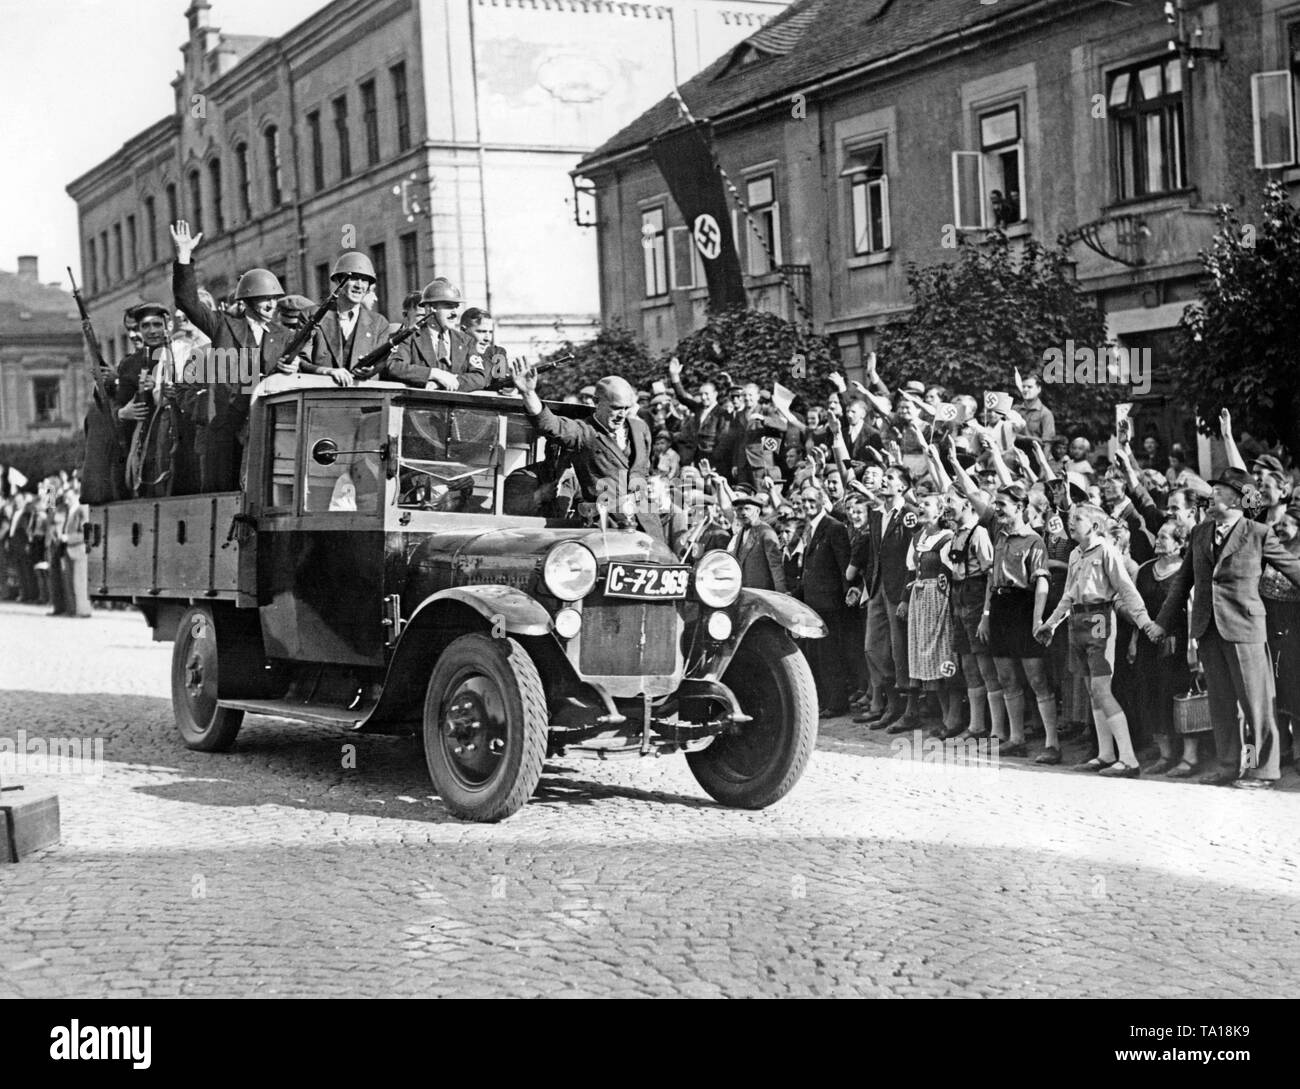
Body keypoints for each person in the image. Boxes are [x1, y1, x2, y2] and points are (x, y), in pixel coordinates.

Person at [1149, 466, 1300, 789]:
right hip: (1207, 628)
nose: (1211, 495)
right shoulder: (1201, 532)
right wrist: (1161, 623)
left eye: (1219, 492)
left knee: (1256, 703)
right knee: (1219, 703)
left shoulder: (1257, 533)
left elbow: (1293, 568)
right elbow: (1182, 582)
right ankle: (1228, 765)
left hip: (1245, 628)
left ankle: (1265, 770)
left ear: (1236, 500)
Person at [1037, 504, 1158, 777]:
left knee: (1103, 689)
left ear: (1094, 525)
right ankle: (1106, 754)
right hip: (1077, 621)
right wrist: (1051, 623)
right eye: (1070, 518)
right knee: (1092, 690)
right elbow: (1069, 594)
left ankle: (1129, 759)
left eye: (1077, 518)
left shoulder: (1106, 551)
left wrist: (1144, 621)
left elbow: (1126, 589)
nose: (1071, 522)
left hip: (1100, 619)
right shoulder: (1075, 554)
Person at [170, 220, 291, 491]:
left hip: (266, 426)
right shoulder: (223, 325)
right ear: (247, 300)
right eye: (263, 298)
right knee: (221, 493)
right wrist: (184, 257)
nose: (271, 304)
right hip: (224, 427)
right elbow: (187, 301)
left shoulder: (283, 335)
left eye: (274, 297)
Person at [511, 365, 663, 541]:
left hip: (647, 525)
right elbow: (550, 425)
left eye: (626, 408)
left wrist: (651, 487)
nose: (622, 415)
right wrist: (528, 393)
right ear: (597, 402)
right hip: (608, 527)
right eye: (615, 408)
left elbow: (643, 470)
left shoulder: (640, 429)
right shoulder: (584, 432)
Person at [978, 483, 1058, 760]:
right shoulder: (999, 536)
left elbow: (1042, 583)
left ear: (1020, 507)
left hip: (1023, 608)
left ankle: (1052, 744)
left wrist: (1037, 620)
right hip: (1000, 608)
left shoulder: (1033, 540)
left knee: (1036, 678)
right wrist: (986, 616)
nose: (997, 508)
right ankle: (1016, 738)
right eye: (996, 503)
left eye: (1002, 504)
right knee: (1006, 677)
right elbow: (991, 580)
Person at [1132, 520, 1198, 776]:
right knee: (1151, 696)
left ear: (1180, 544)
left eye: (1164, 537)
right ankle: (1165, 754)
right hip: (1148, 642)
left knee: (1180, 696)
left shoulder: (1186, 572)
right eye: (1158, 536)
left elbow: (1192, 610)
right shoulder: (1145, 570)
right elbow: (1136, 606)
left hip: (1178, 644)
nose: (1158, 540)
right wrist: (1134, 642)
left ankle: (1189, 758)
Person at [904, 490, 961, 738]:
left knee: (943, 655)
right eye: (919, 504)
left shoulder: (947, 537)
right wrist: (906, 599)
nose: (920, 508)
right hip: (920, 602)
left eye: (926, 504)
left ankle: (954, 716)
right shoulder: (917, 537)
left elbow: (953, 573)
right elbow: (910, 571)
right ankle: (941, 715)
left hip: (939, 601)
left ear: (939, 510)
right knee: (926, 661)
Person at [797, 485, 853, 716]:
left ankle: (837, 703)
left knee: (831, 655)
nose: (807, 505)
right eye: (803, 501)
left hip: (831, 604)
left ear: (822, 501)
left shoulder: (834, 527)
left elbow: (843, 566)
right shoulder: (809, 528)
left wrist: (845, 599)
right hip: (813, 603)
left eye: (811, 501)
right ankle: (825, 701)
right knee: (818, 654)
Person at [383, 278, 487, 393]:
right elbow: (394, 366)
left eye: (456, 306)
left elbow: (479, 377)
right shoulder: (409, 337)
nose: (454, 313)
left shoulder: (465, 341)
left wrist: (449, 382)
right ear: (430, 309)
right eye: (448, 306)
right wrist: (434, 374)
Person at [303, 252, 390, 385]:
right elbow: (300, 360)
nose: (359, 285)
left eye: (365, 280)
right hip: (320, 397)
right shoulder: (313, 315)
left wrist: (371, 370)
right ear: (338, 281)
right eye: (353, 278)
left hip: (364, 397)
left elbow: (384, 363)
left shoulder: (379, 323)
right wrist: (327, 371)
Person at [1260, 499, 1300, 772]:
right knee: (1273, 691)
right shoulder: (1273, 550)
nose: (1280, 527)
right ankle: (1282, 748)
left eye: (1287, 524)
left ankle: (1298, 752)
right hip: (1268, 625)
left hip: (1294, 627)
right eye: (1280, 523)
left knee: (1293, 692)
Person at [730, 494, 786, 592]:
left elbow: (776, 565)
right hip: (743, 591)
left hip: (762, 592)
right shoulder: (741, 532)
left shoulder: (766, 532)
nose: (743, 513)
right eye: (739, 509)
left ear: (757, 511)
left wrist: (781, 592)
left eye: (747, 509)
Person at [1013, 373, 1056, 441]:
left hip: (1034, 450)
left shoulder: (1045, 413)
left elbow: (1047, 443)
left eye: (1029, 387)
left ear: (1039, 389)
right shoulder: (1015, 410)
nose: (1025, 390)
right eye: (1023, 386)